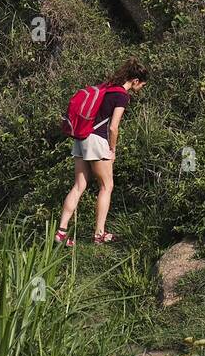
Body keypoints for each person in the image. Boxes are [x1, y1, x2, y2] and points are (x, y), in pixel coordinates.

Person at [55, 58, 148, 245]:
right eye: (142, 85)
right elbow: (113, 127)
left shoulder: (107, 88)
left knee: (79, 185)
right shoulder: (122, 95)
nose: (141, 89)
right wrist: (112, 149)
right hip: (97, 141)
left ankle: (61, 233)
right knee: (107, 186)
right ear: (135, 81)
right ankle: (99, 234)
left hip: (81, 138)